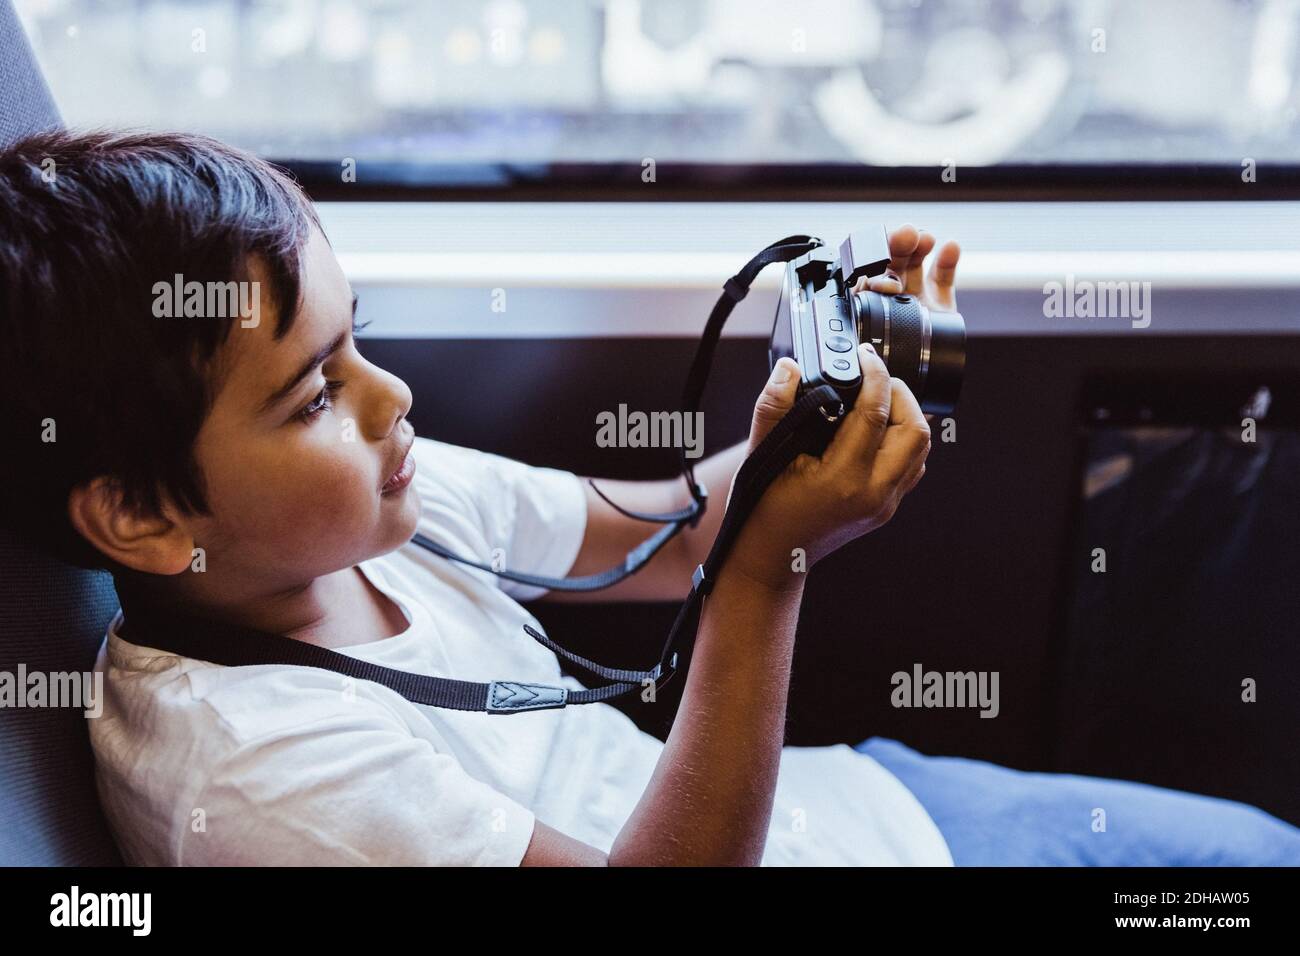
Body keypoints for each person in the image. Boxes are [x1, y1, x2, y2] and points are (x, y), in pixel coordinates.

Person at [0, 130, 1294, 866]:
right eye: (312, 396)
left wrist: (820, 423)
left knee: (1244, 855)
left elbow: (660, 532)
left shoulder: (367, 507)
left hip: (844, 816)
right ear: (142, 517)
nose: (390, 399)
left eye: (360, 341)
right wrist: (772, 571)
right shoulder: (260, 777)